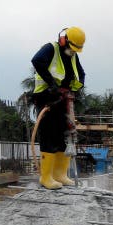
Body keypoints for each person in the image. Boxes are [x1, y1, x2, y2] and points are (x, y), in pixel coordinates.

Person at [31, 26, 86, 189]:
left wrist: (76, 88)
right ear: (63, 40)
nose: (72, 51)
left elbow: (81, 74)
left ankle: (60, 174)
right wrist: (52, 84)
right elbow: (36, 61)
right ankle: (46, 177)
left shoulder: (73, 56)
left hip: (63, 98)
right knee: (49, 135)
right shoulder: (51, 49)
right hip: (47, 97)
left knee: (64, 135)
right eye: (71, 47)